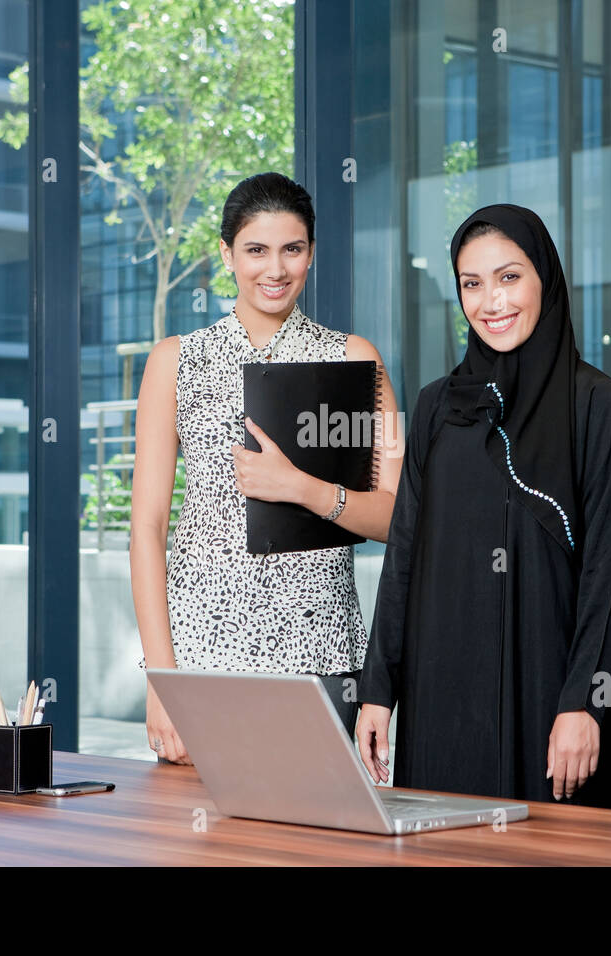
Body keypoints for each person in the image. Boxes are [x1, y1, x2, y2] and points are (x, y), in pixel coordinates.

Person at [355, 203, 611, 807]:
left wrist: (582, 703)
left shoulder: (594, 404)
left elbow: (605, 574)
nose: (492, 302)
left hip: (549, 702)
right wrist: (376, 690)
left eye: (509, 277)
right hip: (441, 702)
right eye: (472, 284)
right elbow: (403, 554)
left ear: (544, 278)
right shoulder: (437, 406)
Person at [130, 172, 403, 765]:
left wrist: (302, 489)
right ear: (226, 253)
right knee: (204, 852)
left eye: (292, 249)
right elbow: (147, 529)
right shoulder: (175, 361)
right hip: (204, 659)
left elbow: (395, 517)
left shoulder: (357, 359)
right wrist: (160, 677)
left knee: (313, 852)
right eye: (255, 249)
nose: (275, 269)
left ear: (311, 253)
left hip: (322, 654)